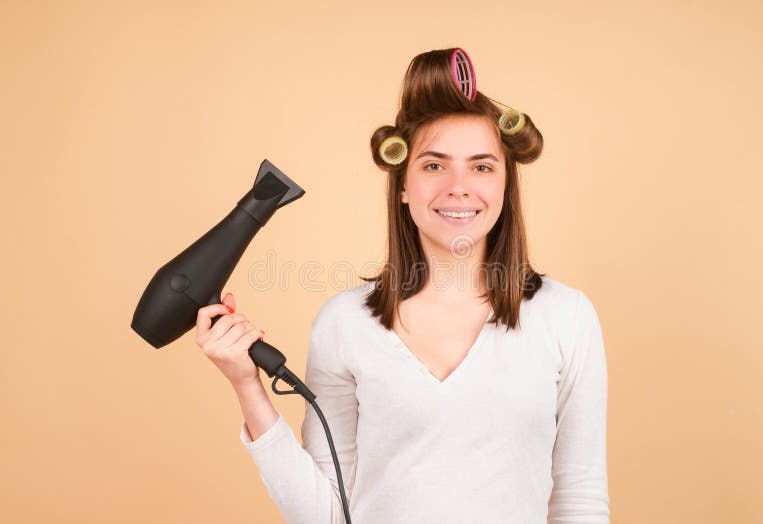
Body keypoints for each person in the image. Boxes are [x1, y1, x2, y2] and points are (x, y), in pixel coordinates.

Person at [194, 47, 610, 523]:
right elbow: (327, 515)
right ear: (404, 186)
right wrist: (247, 385)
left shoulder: (566, 318)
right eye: (434, 165)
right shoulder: (345, 323)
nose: (459, 186)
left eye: (481, 166)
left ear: (504, 186)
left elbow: (580, 501)